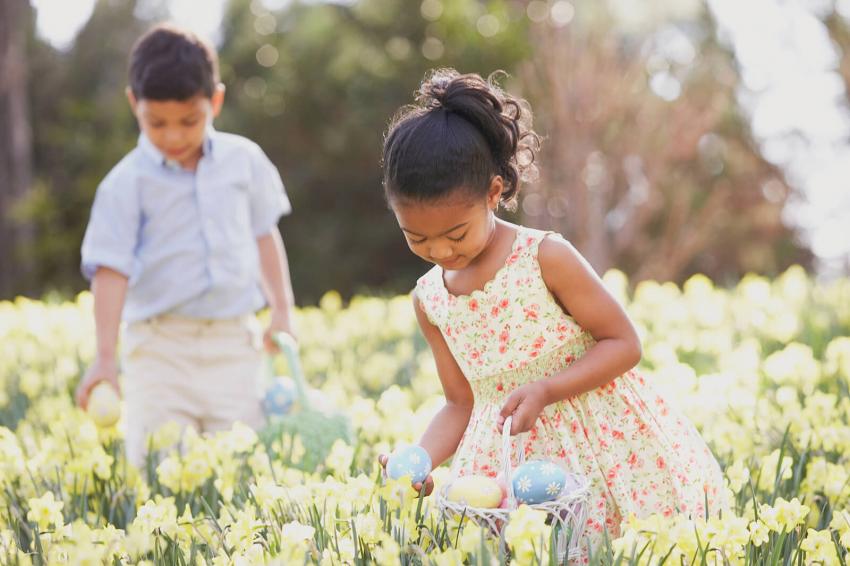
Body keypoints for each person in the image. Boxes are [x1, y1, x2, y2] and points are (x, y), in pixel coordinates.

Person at [378, 69, 727, 558]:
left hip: (600, 445)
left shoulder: (544, 257)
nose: (440, 251)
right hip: (503, 460)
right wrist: (417, 462)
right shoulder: (429, 299)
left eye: (456, 234)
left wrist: (548, 389)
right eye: (417, 238)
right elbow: (460, 403)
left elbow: (624, 344)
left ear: (493, 193)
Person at [75, 23, 296, 467]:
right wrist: (104, 359)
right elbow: (110, 271)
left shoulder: (243, 160)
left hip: (234, 342)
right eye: (157, 123)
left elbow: (263, 234)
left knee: (241, 470)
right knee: (161, 466)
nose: (174, 136)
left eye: (189, 121)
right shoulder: (125, 184)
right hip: (159, 349)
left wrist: (282, 310)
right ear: (134, 104)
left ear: (215, 100)